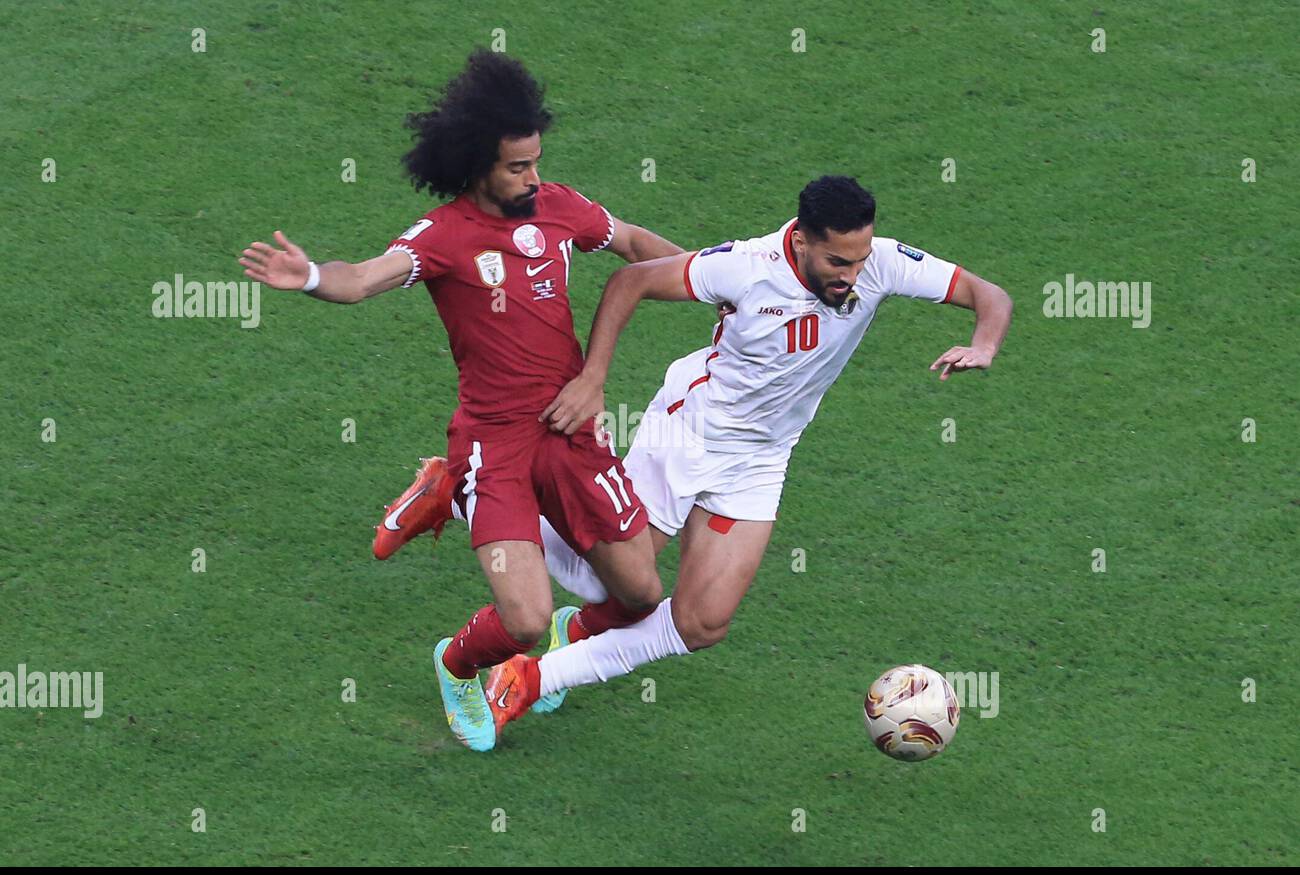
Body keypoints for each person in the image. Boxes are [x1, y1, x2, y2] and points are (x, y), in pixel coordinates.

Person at [237, 50, 685, 751]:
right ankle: (457, 664)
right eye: (517, 168)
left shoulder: (560, 209)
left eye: (536, 162)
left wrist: (713, 277)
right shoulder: (445, 236)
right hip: (494, 445)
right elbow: (361, 280)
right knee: (525, 616)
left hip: (571, 435)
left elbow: (631, 242)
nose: (533, 178)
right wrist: (311, 275)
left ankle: (571, 633)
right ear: (478, 163)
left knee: (640, 595)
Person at [477, 174, 1015, 745]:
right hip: (688, 435)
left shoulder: (880, 262)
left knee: (702, 621)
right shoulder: (745, 266)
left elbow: (990, 294)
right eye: (838, 262)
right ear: (802, 240)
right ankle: (468, 491)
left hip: (761, 460)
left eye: (859, 261)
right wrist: (594, 378)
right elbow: (629, 281)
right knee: (600, 576)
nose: (853, 277)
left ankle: (531, 678)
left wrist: (983, 344)